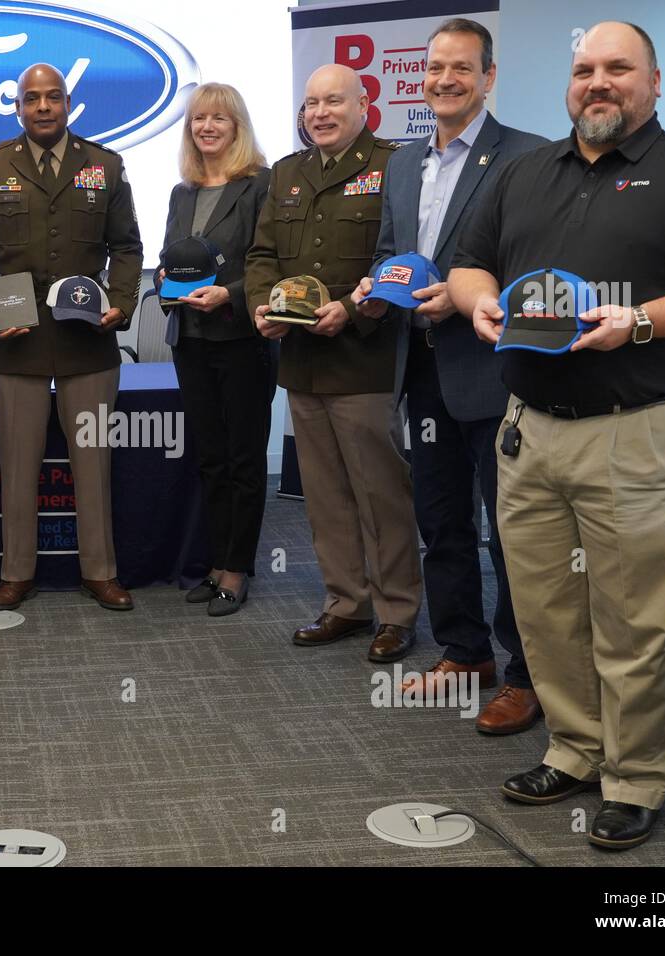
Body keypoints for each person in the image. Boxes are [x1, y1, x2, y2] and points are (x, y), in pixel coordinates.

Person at [449, 22, 665, 849]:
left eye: (618, 69)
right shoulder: (526, 172)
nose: (599, 83)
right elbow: (466, 262)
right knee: (546, 610)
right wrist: (477, 301)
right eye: (585, 69)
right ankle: (574, 748)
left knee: (633, 621)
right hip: (530, 433)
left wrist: (640, 322)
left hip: (644, 433)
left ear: (654, 82)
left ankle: (634, 776)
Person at [351, 18, 548, 733]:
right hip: (421, 369)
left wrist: (465, 298)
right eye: (435, 68)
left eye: (461, 69)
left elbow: (535, 266)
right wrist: (375, 289)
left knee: (513, 532)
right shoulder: (403, 163)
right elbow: (389, 251)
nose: (444, 80)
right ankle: (464, 652)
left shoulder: (528, 158)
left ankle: (527, 676)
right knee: (440, 523)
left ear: (489, 77)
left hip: (495, 371)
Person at [246, 64, 424, 660]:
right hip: (301, 359)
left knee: (380, 492)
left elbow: (401, 258)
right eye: (310, 104)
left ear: (363, 104)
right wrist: (261, 306)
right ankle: (345, 602)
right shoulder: (287, 173)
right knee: (324, 493)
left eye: (333, 102)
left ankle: (397, 611)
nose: (319, 113)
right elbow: (263, 253)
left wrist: (352, 307)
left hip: (364, 357)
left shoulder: (395, 165)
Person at [0, 63, 144, 612]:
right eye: (32, 98)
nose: (43, 106)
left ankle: (100, 572)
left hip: (89, 341)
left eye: (53, 97)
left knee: (94, 462)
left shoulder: (104, 166)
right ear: (18, 107)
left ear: (68, 104)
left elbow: (128, 247)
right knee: (17, 466)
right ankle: (16, 574)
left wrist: (124, 301)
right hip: (17, 341)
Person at [155, 83, 273, 617]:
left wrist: (232, 293)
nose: (206, 127)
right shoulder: (182, 192)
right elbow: (173, 257)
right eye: (198, 118)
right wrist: (162, 276)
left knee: (244, 459)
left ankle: (237, 569)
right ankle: (214, 561)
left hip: (242, 338)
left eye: (218, 119)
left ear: (237, 126)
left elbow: (270, 263)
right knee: (211, 458)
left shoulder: (261, 186)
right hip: (191, 340)